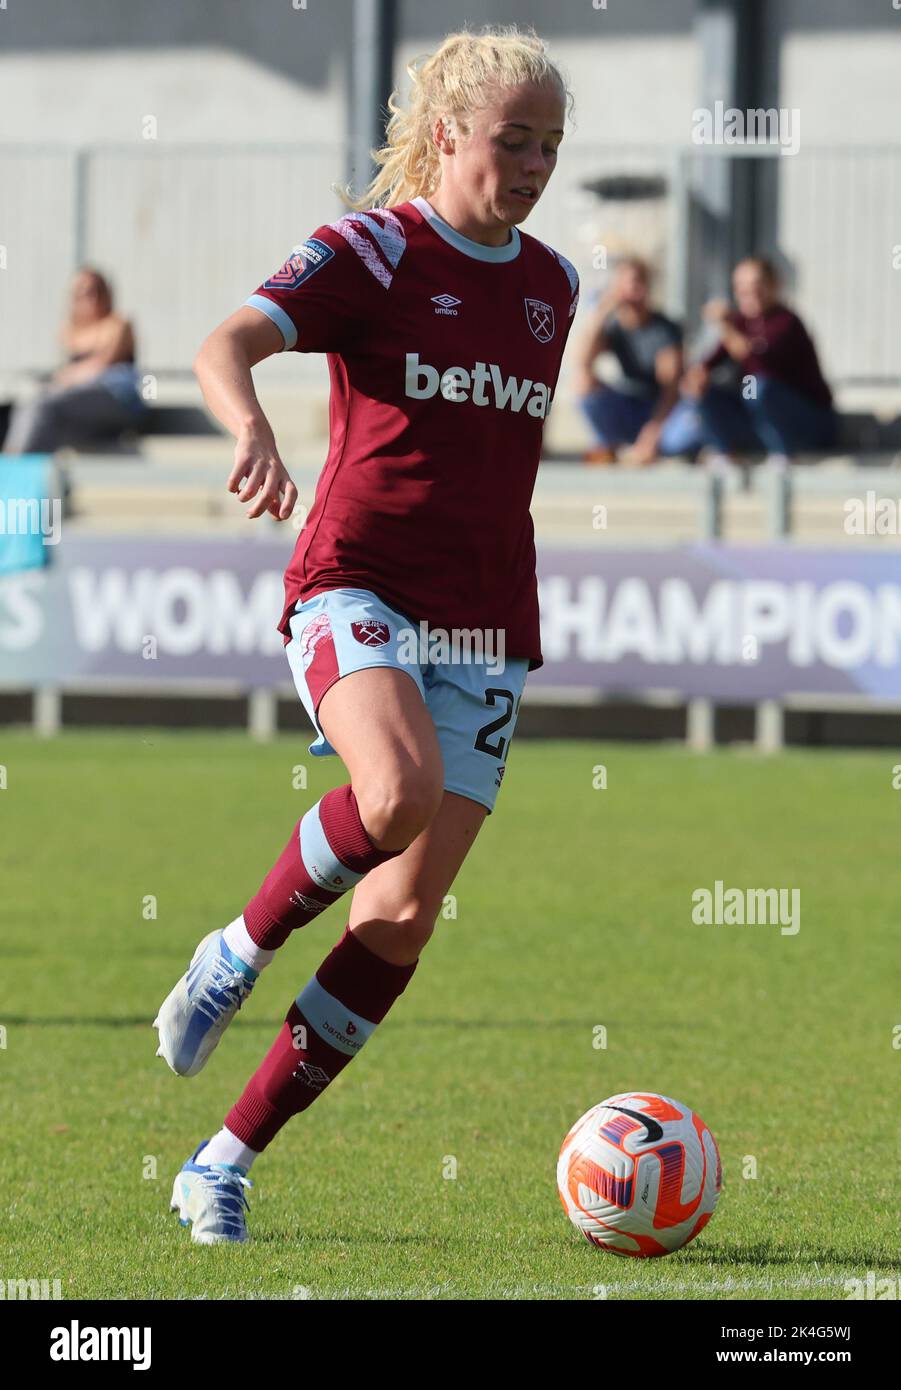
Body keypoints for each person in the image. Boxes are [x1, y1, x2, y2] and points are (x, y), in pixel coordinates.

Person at [152, 25, 581, 1244]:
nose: (536, 162)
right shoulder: (371, 251)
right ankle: (235, 948)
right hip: (359, 582)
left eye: (551, 143)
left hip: (488, 621)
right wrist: (250, 427)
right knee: (392, 789)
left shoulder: (550, 282)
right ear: (447, 134)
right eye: (514, 139)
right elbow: (223, 341)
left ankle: (221, 1161)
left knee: (395, 921)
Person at [682, 256, 837, 464]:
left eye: (756, 285)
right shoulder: (741, 323)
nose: (748, 293)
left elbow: (756, 362)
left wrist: (726, 326)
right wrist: (696, 375)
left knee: (756, 386)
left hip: (808, 422)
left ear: (774, 285)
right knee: (703, 389)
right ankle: (723, 454)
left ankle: (782, 455)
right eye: (741, 287)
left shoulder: (786, 322)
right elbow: (713, 360)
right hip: (761, 423)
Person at [2, 267, 147, 455]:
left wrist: (65, 377)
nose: (89, 298)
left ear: (106, 293)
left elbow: (98, 367)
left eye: (95, 290)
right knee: (26, 410)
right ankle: (16, 473)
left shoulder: (119, 324)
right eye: (81, 293)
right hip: (81, 412)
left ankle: (14, 472)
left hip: (117, 400)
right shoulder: (70, 330)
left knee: (41, 405)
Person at [573, 257, 702, 465]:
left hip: (662, 409)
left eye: (640, 282)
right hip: (629, 405)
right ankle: (611, 444)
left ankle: (656, 449)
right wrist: (603, 310)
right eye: (629, 283)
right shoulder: (614, 327)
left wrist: (652, 433)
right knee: (583, 382)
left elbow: (671, 390)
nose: (635, 289)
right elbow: (582, 362)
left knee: (686, 433)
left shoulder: (665, 330)